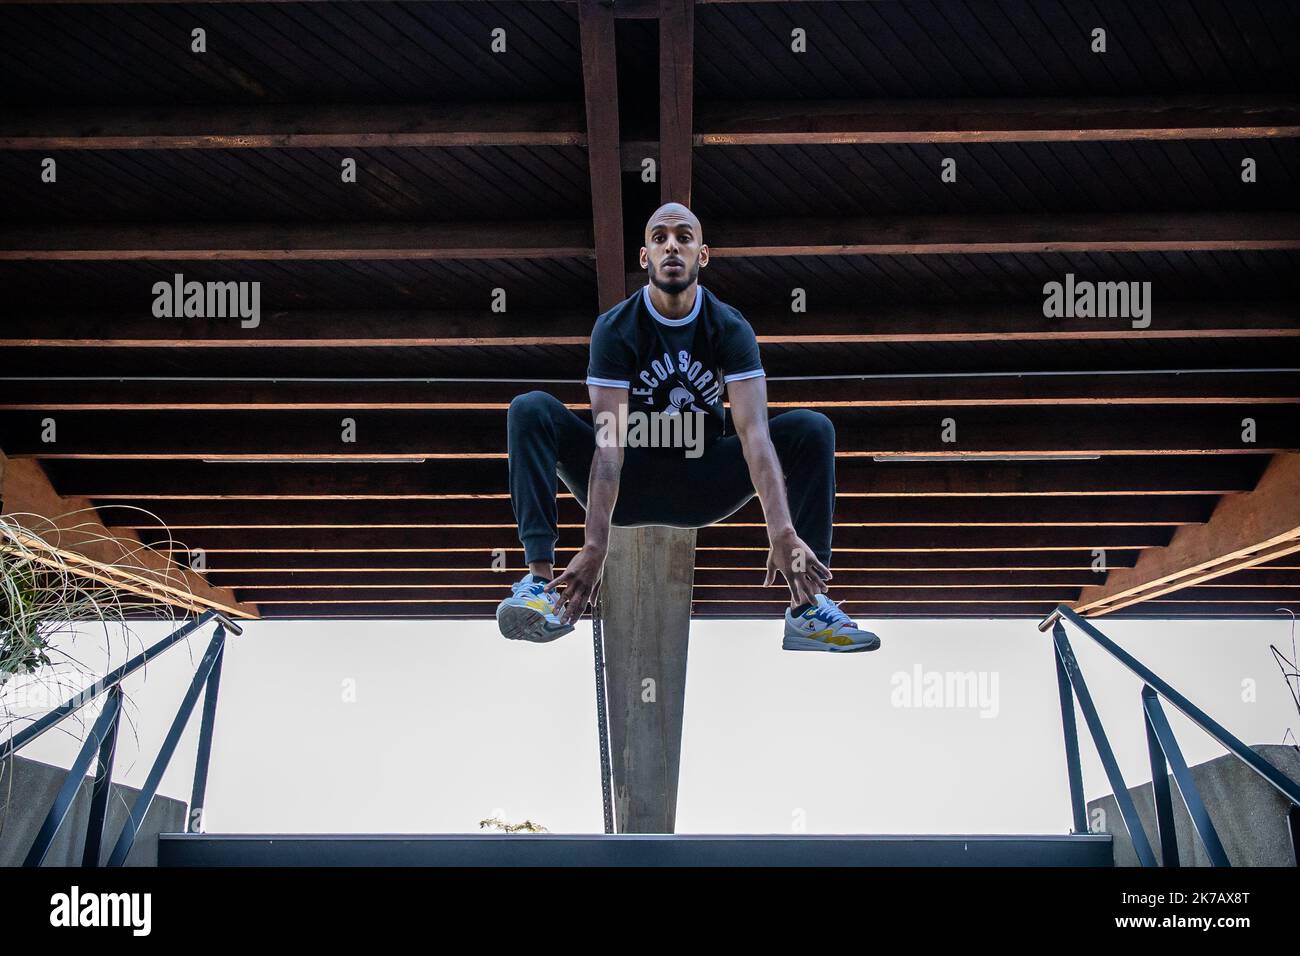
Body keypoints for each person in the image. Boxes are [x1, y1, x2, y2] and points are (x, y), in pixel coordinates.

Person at [495, 202, 881, 653]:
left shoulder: (729, 327)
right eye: (660, 238)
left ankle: (809, 608)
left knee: (811, 429)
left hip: (702, 482)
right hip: (630, 479)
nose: (671, 246)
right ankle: (540, 586)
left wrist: (783, 532)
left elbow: (755, 435)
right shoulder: (616, 328)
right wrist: (595, 545)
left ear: (703, 255)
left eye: (684, 237)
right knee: (530, 408)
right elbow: (608, 445)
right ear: (645, 258)